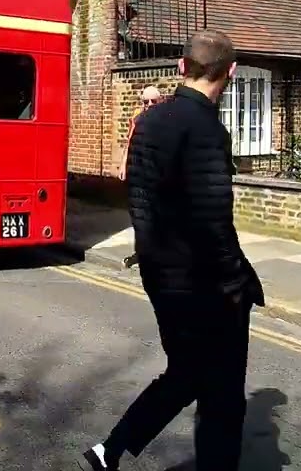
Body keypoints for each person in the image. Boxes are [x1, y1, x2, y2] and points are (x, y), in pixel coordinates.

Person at [82, 30, 264, 471]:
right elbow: (212, 218)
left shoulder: (148, 122)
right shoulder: (208, 131)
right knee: (222, 391)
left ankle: (112, 448)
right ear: (231, 73)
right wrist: (236, 281)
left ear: (181, 67)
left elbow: (139, 199)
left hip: (159, 274)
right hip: (206, 284)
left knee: (187, 371)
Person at [116, 86, 162, 181]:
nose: (149, 104)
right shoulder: (137, 118)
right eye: (146, 102)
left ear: (160, 101)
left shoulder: (166, 118)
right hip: (139, 165)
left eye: (153, 101)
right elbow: (129, 141)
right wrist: (123, 164)